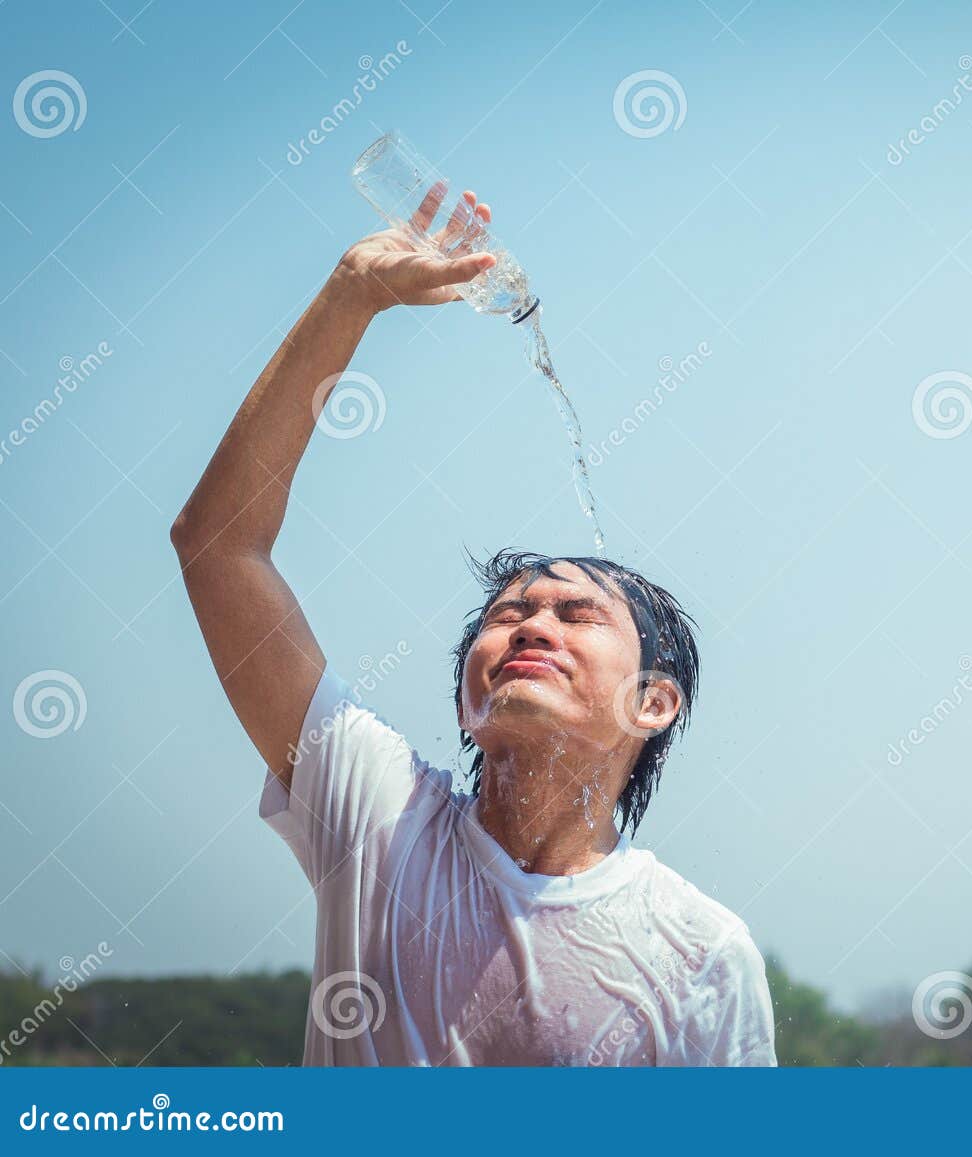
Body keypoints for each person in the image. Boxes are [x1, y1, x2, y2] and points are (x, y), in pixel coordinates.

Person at [169, 190, 776, 1066]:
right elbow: (218, 547)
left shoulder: (702, 951)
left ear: (654, 702)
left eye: (578, 614)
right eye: (508, 615)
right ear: (466, 703)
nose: (533, 624)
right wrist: (352, 295)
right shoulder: (381, 818)